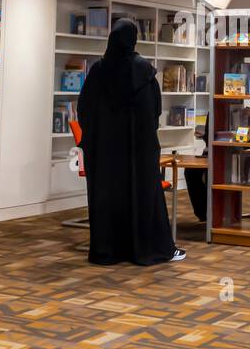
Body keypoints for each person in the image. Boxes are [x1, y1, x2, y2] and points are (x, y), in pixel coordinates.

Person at [77, 19, 185, 265]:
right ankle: (146, 248)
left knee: (108, 197)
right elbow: (153, 113)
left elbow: (84, 110)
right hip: (138, 152)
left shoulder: (98, 72)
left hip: (105, 154)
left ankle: (108, 250)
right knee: (143, 195)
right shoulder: (145, 72)